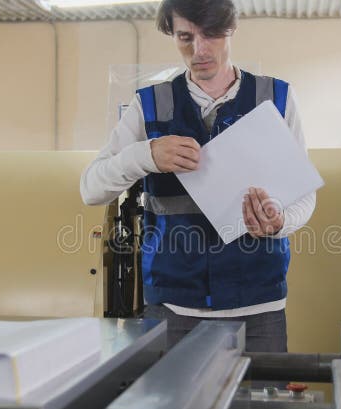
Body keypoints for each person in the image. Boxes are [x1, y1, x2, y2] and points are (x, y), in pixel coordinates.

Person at [80, 0, 315, 352]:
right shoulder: (149, 106)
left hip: (259, 307)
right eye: (185, 36)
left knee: (257, 407)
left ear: (231, 29)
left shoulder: (275, 98)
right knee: (175, 406)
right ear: (172, 35)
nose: (199, 49)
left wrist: (280, 222)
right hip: (174, 308)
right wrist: (146, 155)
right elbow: (91, 188)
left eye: (211, 34)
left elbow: (304, 195)